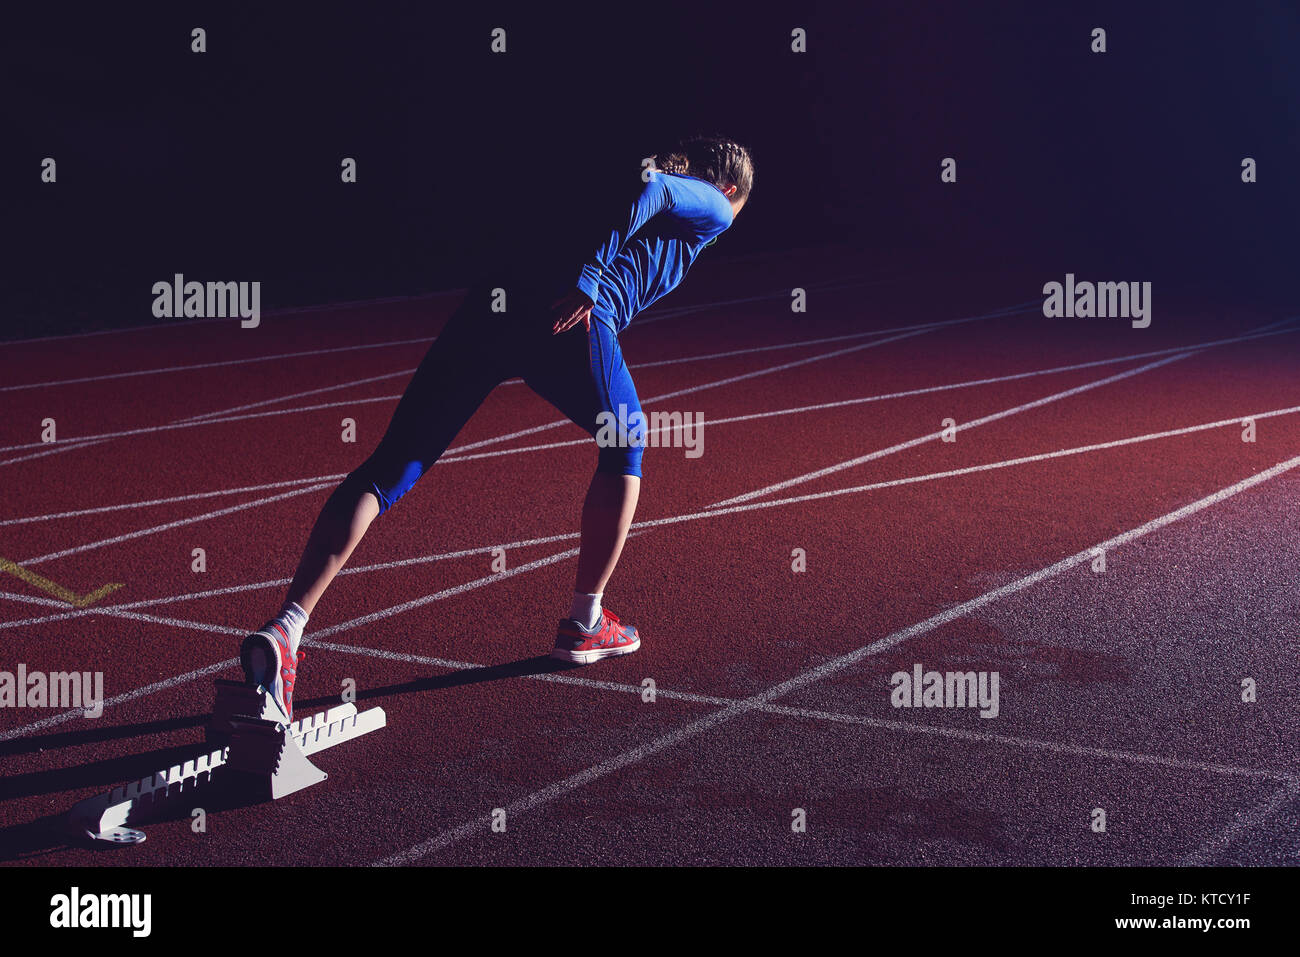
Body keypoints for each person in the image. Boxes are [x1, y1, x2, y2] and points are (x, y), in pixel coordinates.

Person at [241, 135, 755, 721]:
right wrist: (589, 279)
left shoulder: (629, 183)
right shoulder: (714, 205)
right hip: (569, 318)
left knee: (390, 467)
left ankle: (286, 631)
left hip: (494, 308)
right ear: (730, 191)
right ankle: (586, 623)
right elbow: (653, 187)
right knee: (626, 442)